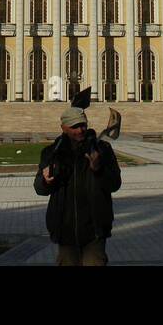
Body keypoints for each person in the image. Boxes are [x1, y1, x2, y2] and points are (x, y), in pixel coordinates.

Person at [33, 106, 122, 265]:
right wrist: (46, 181)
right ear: (63, 128)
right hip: (65, 229)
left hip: (94, 229)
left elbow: (115, 184)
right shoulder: (52, 152)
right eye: (74, 127)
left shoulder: (102, 149)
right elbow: (40, 188)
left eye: (82, 125)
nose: (80, 130)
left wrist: (98, 169)